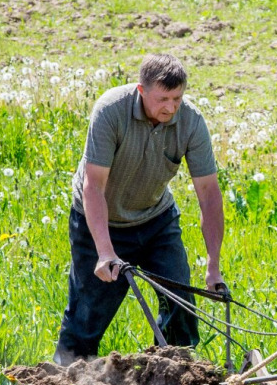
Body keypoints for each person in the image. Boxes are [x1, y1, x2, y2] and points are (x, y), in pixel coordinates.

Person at [53, 53, 225, 366]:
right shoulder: (110, 111)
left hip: (156, 219)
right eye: (163, 99)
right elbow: (93, 186)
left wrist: (213, 265)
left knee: (180, 302)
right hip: (101, 221)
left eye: (177, 98)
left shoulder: (191, 122)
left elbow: (209, 194)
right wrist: (105, 252)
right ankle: (64, 379)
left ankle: (173, 372)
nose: (170, 108)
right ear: (141, 90)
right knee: (88, 314)